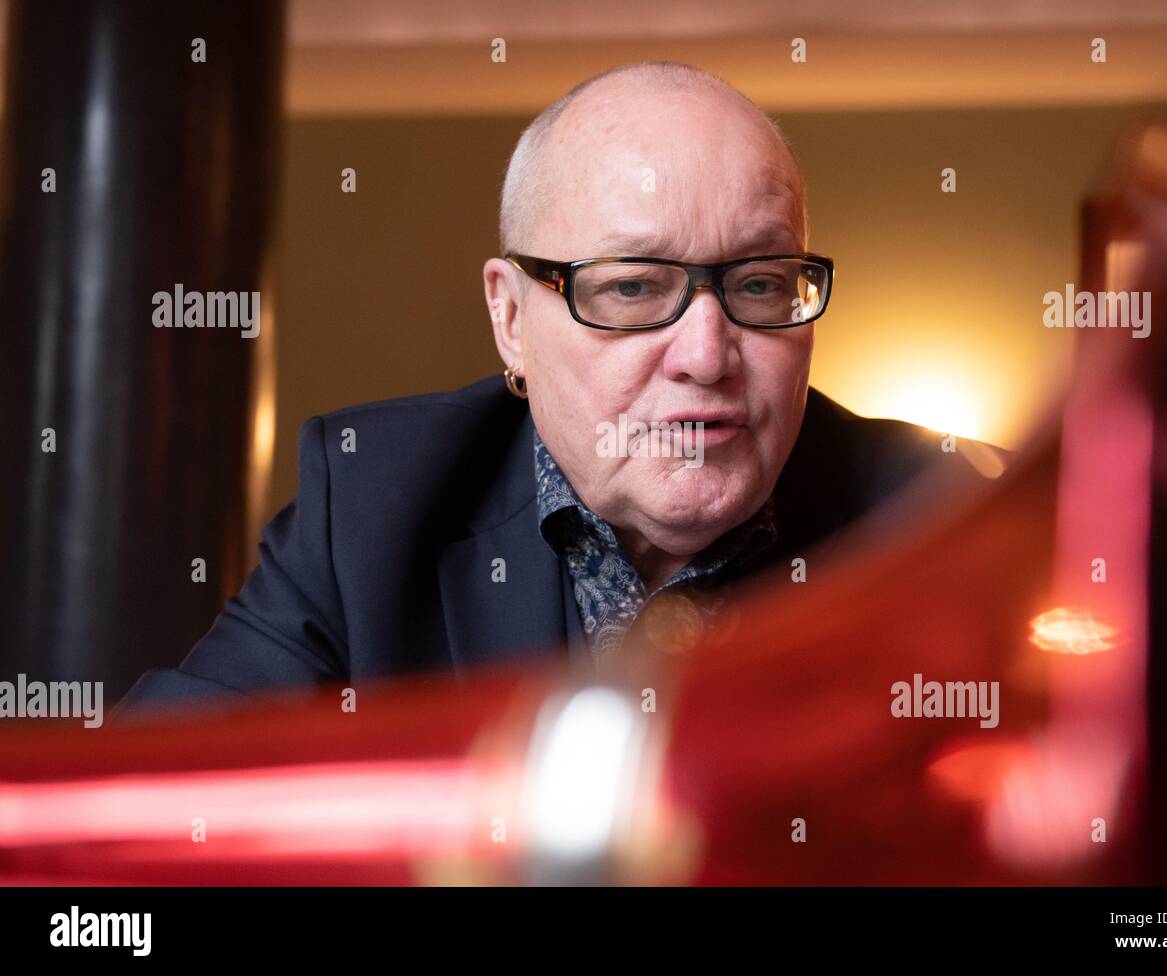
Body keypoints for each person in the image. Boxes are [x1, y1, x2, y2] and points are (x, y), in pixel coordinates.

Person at [118, 61, 962, 710]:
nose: (707, 355)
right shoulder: (371, 505)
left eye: (759, 285)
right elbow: (160, 800)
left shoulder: (945, 517)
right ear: (511, 319)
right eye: (632, 288)